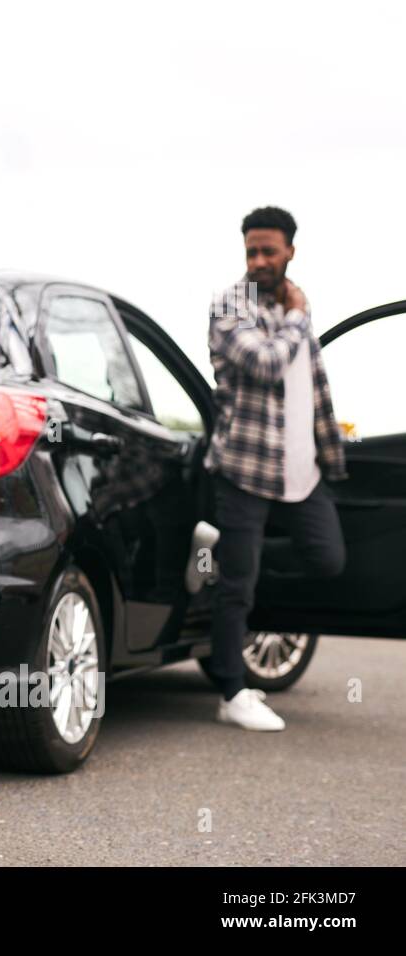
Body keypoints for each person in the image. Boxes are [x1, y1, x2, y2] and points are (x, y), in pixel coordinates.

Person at [203, 205, 346, 732]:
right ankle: (230, 690)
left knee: (329, 558)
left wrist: (333, 453)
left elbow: (313, 385)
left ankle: (233, 562)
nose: (260, 260)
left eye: (269, 250)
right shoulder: (231, 305)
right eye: (251, 252)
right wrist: (297, 318)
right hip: (243, 467)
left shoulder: (293, 307)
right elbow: (264, 363)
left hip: (301, 471)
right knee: (237, 585)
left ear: (290, 250)